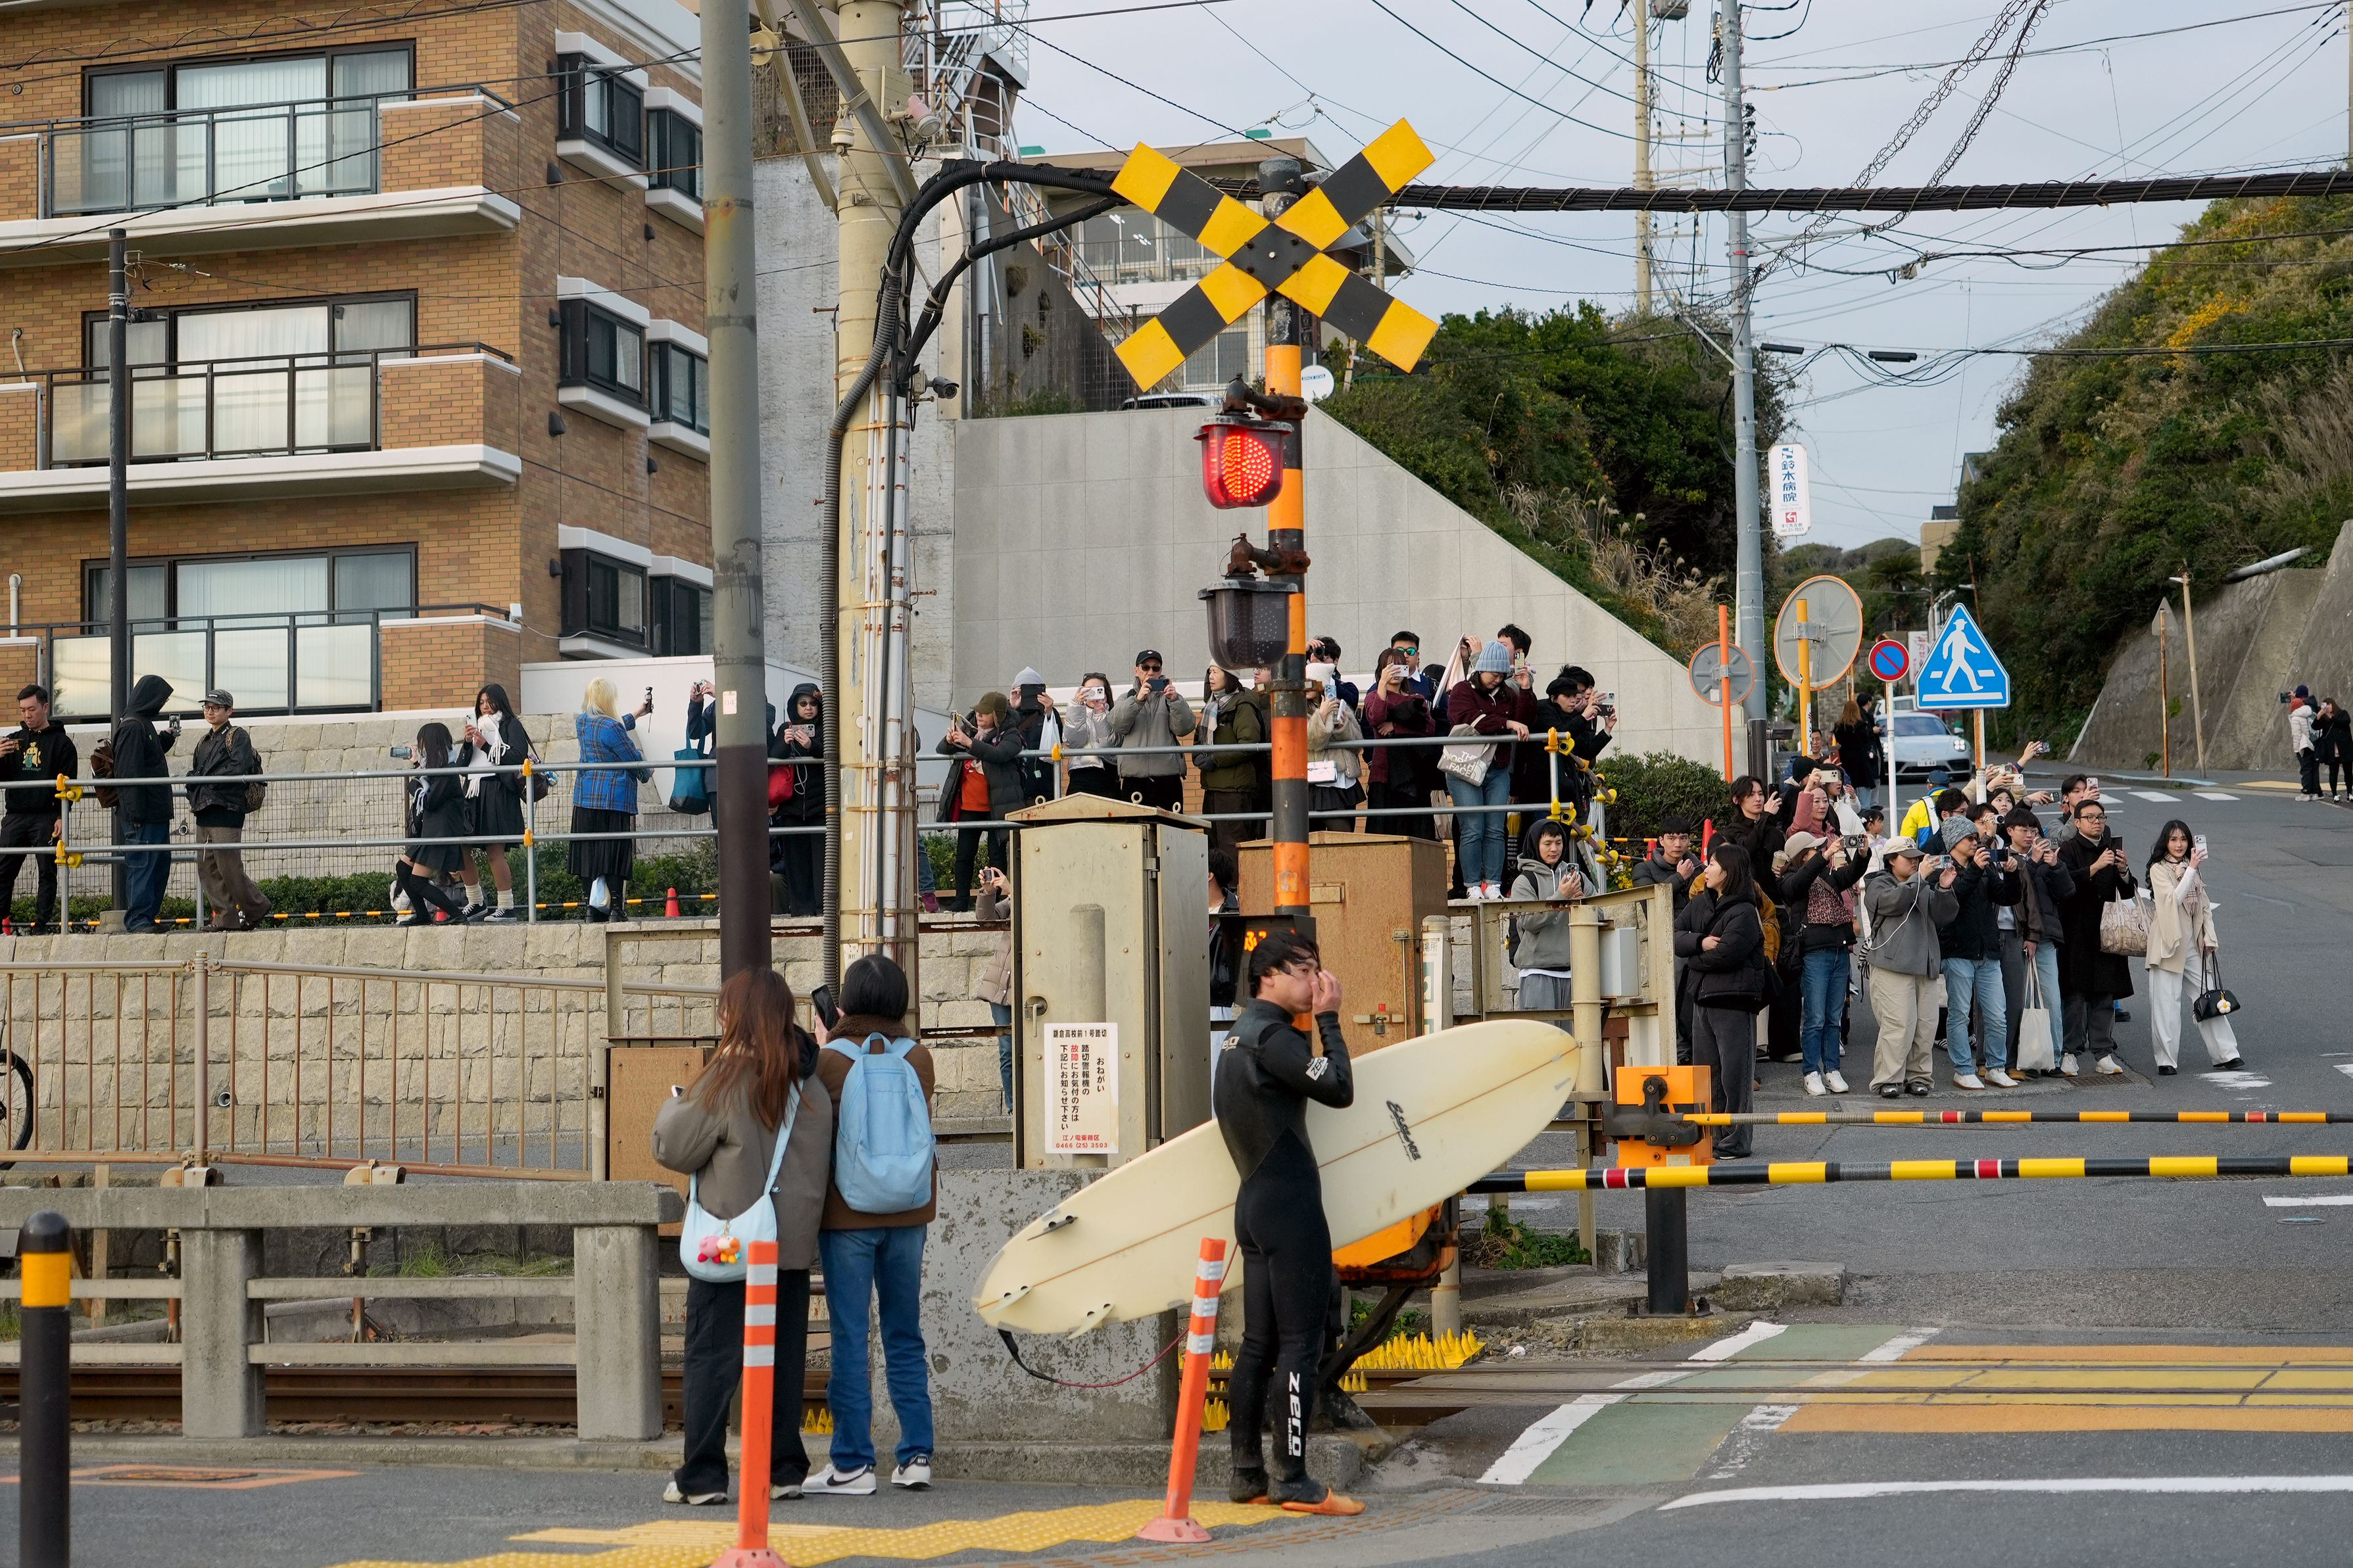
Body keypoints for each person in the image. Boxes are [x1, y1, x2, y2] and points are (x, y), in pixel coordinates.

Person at [652, 967, 832, 1506]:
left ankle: (704, 1475)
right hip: (791, 1251)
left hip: (732, 1246)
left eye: (727, 1009)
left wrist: (682, 1096)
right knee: (781, 1362)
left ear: (740, 1017)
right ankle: (783, 1468)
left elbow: (670, 1145)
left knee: (712, 1358)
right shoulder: (813, 1085)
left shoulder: (729, 1080)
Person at [1215, 928, 1361, 1516]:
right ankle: (1293, 1476)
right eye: (1304, 970)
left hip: (1253, 1203)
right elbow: (1339, 1087)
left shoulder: (1235, 1036)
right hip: (1291, 1206)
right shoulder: (1273, 1037)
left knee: (1258, 1344)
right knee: (1299, 1343)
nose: (1315, 982)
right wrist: (1331, 1020)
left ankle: (1247, 1471)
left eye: (1317, 971)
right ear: (1268, 975)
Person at [810, 953, 937, 1495]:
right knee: (904, 1333)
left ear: (848, 1001)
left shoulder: (831, 1060)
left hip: (848, 1217)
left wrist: (826, 1039)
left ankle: (854, 1463)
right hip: (910, 1212)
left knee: (850, 1336)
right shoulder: (919, 1058)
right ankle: (915, 1454)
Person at [1675, 842, 1770, 1158]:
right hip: (1702, 1000)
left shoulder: (1745, 910)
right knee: (1709, 1073)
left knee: (1735, 1075)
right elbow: (1674, 934)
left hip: (1734, 1001)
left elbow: (1727, 955)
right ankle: (1714, 1137)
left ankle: (1736, 1140)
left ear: (1728, 872)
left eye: (1713, 863)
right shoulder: (1701, 903)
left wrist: (1694, 957)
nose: (1707, 867)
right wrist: (1701, 943)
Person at [1860, 839, 1960, 1099]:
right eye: (1908, 858)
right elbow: (1894, 902)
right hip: (1892, 966)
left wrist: (1945, 889)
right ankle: (1888, 1079)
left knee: (1926, 1026)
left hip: (1923, 965)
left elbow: (1943, 916)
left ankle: (1919, 1077)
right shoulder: (1877, 883)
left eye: (1916, 857)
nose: (1915, 861)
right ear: (1892, 859)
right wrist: (1919, 879)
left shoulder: (1922, 883)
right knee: (1898, 1025)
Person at [2144, 821, 2244, 1076]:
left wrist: (2209, 937)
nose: (2179, 845)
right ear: (2165, 843)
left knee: (2209, 997)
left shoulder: (2192, 869)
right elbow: (2172, 901)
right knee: (2166, 1004)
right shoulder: (2159, 869)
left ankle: (2226, 1054)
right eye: (2174, 840)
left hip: (2193, 945)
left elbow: (2204, 905)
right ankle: (2166, 1060)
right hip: (2169, 943)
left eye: (2184, 840)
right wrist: (2191, 869)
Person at [1776, 830, 1868, 1095]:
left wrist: (1861, 854)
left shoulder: (1828, 876)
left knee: (1833, 1016)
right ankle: (1811, 1071)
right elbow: (1797, 885)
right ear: (1804, 855)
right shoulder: (1790, 880)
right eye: (1816, 849)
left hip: (1839, 949)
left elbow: (1850, 875)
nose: (1823, 851)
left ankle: (1832, 1068)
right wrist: (1824, 857)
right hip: (1814, 953)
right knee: (1815, 1017)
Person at [1935, 820, 2021, 1090]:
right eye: (1970, 838)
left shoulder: (1984, 867)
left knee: (1997, 1013)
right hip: (1958, 950)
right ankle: (1963, 1068)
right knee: (1959, 1013)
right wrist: (1975, 869)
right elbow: (1953, 900)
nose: (1976, 842)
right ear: (1954, 842)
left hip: (1988, 950)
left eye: (1976, 838)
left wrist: (2012, 874)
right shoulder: (1943, 868)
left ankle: (1996, 1067)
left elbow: (2007, 898)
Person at [2056, 797, 2137, 1076]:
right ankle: (2070, 1052)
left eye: (2100, 817)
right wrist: (2095, 867)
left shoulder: (2111, 849)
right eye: (2090, 818)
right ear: (2077, 822)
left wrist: (2124, 871)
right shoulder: (2067, 849)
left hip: (2108, 930)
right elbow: (2063, 884)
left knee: (2104, 993)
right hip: (2076, 930)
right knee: (2075, 996)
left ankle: (2103, 1052)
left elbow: (2127, 893)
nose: (2097, 822)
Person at [1444, 640, 1530, 900]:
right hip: (1464, 768)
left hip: (1498, 768)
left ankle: (1493, 884)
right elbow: (1472, 720)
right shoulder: (1461, 691)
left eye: (1503, 676)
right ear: (1481, 669)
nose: (1497, 680)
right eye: (1494, 674)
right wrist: (1507, 722)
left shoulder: (1508, 694)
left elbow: (1526, 721)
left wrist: (1525, 690)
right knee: (1472, 828)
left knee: (1495, 828)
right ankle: (1471, 886)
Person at [186, 689, 270, 932]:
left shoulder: (238, 736)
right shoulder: (204, 741)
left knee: (228, 865)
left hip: (227, 808)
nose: (210, 711)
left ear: (229, 711)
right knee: (205, 865)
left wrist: (204, 781)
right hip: (204, 809)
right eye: (207, 707)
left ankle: (256, 907)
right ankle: (225, 917)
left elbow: (239, 768)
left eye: (216, 707)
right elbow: (197, 771)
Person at [2000, 808, 2073, 1076]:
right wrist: (2031, 862)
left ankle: (2052, 1057)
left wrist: (2055, 866)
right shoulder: (2006, 858)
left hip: (2045, 937)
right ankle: (2026, 1057)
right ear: (2010, 832)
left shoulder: (2045, 857)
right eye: (2024, 830)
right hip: (2016, 936)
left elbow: (2067, 892)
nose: (2031, 835)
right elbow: (2017, 892)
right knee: (2022, 1000)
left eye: (2034, 831)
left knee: (2051, 998)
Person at [570, 679, 650, 922]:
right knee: (614, 854)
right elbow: (629, 755)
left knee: (588, 853)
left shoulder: (582, 722)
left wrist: (638, 712)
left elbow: (608, 728)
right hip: (613, 801)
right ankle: (616, 909)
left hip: (585, 799)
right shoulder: (612, 728)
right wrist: (646, 770)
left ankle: (590, 909)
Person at [0, 684, 77, 934]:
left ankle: (40, 924)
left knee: (46, 869)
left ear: (45, 707)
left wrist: (61, 816)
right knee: (3, 869)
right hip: (15, 815)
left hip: (46, 815)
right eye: (22, 710)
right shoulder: (13, 741)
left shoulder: (63, 744)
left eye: (32, 709)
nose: (27, 715)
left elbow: (71, 785)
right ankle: (3, 922)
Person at [105, 673, 179, 933]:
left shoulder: (142, 724)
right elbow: (129, 773)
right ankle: (138, 920)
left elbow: (147, 757)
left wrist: (166, 738)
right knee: (143, 864)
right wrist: (135, 813)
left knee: (158, 864)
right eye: (160, 699)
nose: (161, 704)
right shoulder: (133, 727)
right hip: (142, 815)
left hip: (154, 813)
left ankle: (146, 917)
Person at [938, 693, 1023, 911]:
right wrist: (950, 741)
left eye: (984, 713)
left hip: (996, 806)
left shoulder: (1012, 734)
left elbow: (999, 754)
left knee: (996, 856)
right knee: (964, 854)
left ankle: (995, 902)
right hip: (969, 805)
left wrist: (970, 743)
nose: (979, 716)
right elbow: (942, 750)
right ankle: (961, 899)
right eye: (977, 712)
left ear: (997, 715)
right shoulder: (969, 728)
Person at [1633, 817, 1704, 1064]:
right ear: (1661, 841)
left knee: (1699, 1001)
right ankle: (1680, 1055)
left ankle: (1703, 1056)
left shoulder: (1701, 868)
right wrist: (1681, 879)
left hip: (1699, 942)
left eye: (1683, 838)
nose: (1678, 844)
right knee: (1675, 1000)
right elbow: (1650, 903)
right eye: (1671, 838)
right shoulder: (1645, 870)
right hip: (1669, 945)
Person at [457, 682, 529, 922]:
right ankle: (476, 902)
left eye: (490, 702)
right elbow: (461, 767)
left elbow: (517, 758)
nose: (485, 707)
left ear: (500, 702)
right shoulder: (474, 727)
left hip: (498, 791)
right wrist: (469, 743)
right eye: (481, 702)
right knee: (461, 846)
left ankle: (507, 907)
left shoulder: (510, 725)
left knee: (494, 851)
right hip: (473, 792)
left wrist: (486, 745)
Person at [1508, 819, 1585, 1028]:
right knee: (1541, 1044)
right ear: (1535, 845)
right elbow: (1529, 921)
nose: (1554, 849)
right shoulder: (1525, 881)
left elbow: (1599, 914)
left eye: (1559, 843)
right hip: (1538, 973)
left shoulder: (1576, 877)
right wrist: (1561, 896)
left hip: (1573, 972)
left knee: (1571, 1045)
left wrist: (1582, 901)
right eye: (1548, 843)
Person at [396, 722, 471, 927]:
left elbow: (429, 800)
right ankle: (422, 915)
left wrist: (413, 783)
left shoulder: (448, 770)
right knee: (403, 868)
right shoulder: (437, 768)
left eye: (423, 744)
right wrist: (416, 768)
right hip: (432, 831)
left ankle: (456, 914)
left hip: (441, 832)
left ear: (431, 744)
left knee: (418, 881)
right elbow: (427, 787)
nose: (421, 749)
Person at [1109, 650, 1196, 811]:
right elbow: (1117, 724)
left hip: (1167, 777)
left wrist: (1175, 701)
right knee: (1136, 831)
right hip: (1135, 778)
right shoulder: (1127, 697)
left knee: (1170, 831)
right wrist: (1137, 700)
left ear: (1161, 671)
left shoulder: (1171, 697)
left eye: (1156, 668)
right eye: (1146, 667)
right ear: (1137, 671)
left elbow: (1185, 728)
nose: (1151, 672)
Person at [1363, 653, 1435, 840]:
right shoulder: (1373, 697)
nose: (1395, 672)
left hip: (1414, 774)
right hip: (1384, 775)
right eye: (1390, 667)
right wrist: (1382, 685)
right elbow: (1375, 718)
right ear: (1381, 670)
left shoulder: (1416, 698)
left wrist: (1396, 727)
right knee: (1383, 835)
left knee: (1416, 834)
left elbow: (1429, 728)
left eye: (1399, 667)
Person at [1198, 667, 1267, 857]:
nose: (1211, 677)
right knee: (1212, 845)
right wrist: (1198, 754)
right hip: (1212, 787)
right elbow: (1199, 737)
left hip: (1234, 790)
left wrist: (1215, 759)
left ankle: (1237, 887)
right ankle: (1219, 886)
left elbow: (1249, 743)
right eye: (1209, 673)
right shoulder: (1212, 705)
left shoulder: (1243, 705)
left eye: (1216, 673)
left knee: (1232, 845)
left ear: (1229, 677)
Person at [770, 685, 825, 918]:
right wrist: (786, 741)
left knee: (822, 863)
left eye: (812, 704)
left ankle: (824, 910)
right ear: (795, 707)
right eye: (803, 704)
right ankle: (801, 911)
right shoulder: (786, 727)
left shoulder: (826, 727)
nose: (808, 709)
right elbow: (773, 758)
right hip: (792, 808)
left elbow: (831, 753)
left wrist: (810, 746)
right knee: (796, 863)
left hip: (820, 806)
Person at [973, 865, 1014, 1109]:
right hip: (1001, 989)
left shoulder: (1038, 896)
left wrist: (1014, 892)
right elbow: (986, 920)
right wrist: (988, 892)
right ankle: (1013, 1108)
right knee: (1007, 1051)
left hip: (1029, 988)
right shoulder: (1011, 901)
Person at [1305, 663, 1364, 832]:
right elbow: (1312, 742)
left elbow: (1357, 744)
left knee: (1346, 833)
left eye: (1312, 682)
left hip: (1343, 780)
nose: (1307, 686)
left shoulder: (1340, 704)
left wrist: (1341, 725)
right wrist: (1322, 716)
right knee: (1329, 833)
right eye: (1305, 681)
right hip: (1317, 781)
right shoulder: (1297, 709)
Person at [1061, 674, 1120, 798]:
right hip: (1080, 776)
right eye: (1089, 691)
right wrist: (1076, 705)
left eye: (1098, 690)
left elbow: (1109, 745)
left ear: (1105, 693)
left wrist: (1100, 713)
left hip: (1109, 776)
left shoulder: (1114, 715)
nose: (1094, 695)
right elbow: (1074, 742)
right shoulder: (1076, 713)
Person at [1008, 668, 1059, 806]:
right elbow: (1001, 735)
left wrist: (1048, 712)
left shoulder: (1049, 712)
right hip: (1014, 783)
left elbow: (1058, 738)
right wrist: (1012, 707)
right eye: (1024, 690)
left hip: (1043, 783)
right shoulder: (1009, 714)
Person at [1207, 846, 1241, 1051]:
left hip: (1218, 1000)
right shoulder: (1186, 906)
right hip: (1186, 997)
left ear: (1209, 875)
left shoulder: (1235, 910)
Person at [1833, 697, 1884, 811]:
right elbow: (1866, 742)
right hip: (1861, 763)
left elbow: (1839, 741)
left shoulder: (1839, 726)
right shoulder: (1861, 725)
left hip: (1846, 760)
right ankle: (1864, 819)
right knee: (1864, 800)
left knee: (1849, 795)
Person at [1307, 637, 1358, 712]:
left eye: (1326, 658)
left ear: (1336, 661)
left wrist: (1321, 673)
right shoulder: (1306, 688)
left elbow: (1351, 704)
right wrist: (1301, 654)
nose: (1321, 662)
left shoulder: (1349, 688)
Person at [1387, 630, 1438, 700]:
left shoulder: (1433, 687)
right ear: (1391, 654)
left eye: (1411, 651)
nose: (1405, 655)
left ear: (1417, 656)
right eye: (1400, 651)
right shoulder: (1379, 688)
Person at [2317, 698, 2352, 801]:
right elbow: (2315, 727)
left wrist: (2331, 718)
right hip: (2332, 749)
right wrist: (2319, 716)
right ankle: (2335, 795)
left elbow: (2345, 722)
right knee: (2333, 772)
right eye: (2325, 705)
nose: (2327, 707)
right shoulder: (2325, 718)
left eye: (2329, 704)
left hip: (2345, 748)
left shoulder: (2343, 713)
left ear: (2333, 705)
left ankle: (2350, 793)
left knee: (2348, 772)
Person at [2290, 686, 2320, 800]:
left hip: (2302, 746)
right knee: (2313, 769)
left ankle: (2305, 792)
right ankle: (2314, 793)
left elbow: (2297, 735)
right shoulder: (2309, 712)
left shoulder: (2295, 717)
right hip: (2311, 744)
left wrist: (2297, 749)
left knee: (2305, 769)